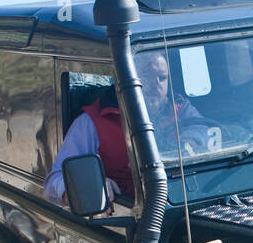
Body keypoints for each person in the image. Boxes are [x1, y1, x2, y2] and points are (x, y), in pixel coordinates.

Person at [44, 51, 209, 205]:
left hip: (183, 203)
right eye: (146, 76)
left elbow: (204, 131)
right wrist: (92, 185)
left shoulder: (181, 108)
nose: (155, 85)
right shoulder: (92, 122)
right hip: (128, 216)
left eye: (162, 77)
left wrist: (191, 142)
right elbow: (55, 181)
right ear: (126, 79)